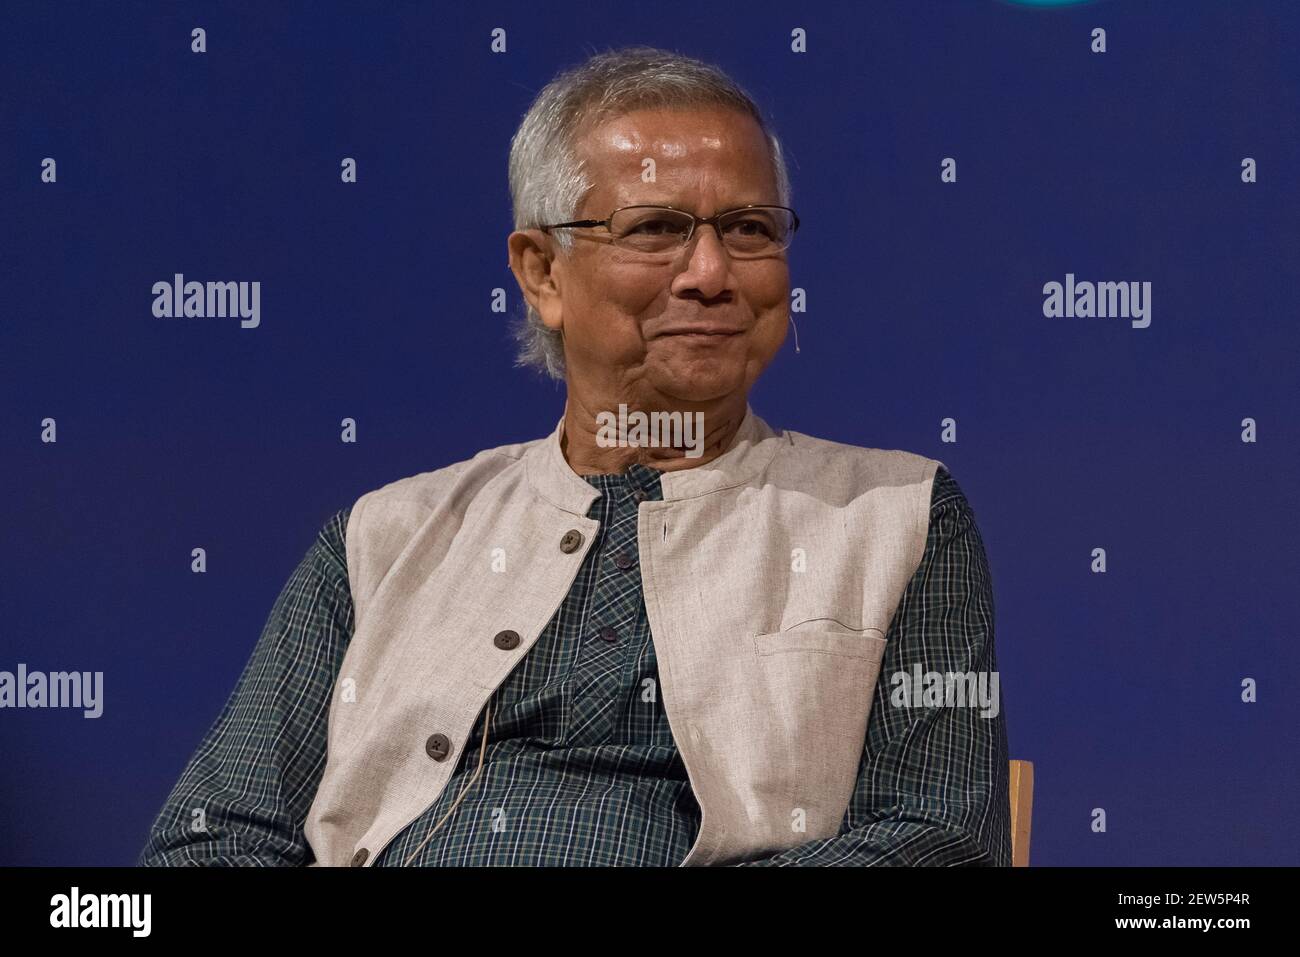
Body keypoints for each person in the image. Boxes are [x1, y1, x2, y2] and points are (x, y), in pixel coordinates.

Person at [139, 45, 1010, 867]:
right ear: (542, 274)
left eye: (748, 228)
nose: (711, 271)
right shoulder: (383, 539)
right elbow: (212, 838)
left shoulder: (896, 513)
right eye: (657, 228)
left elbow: (938, 838)